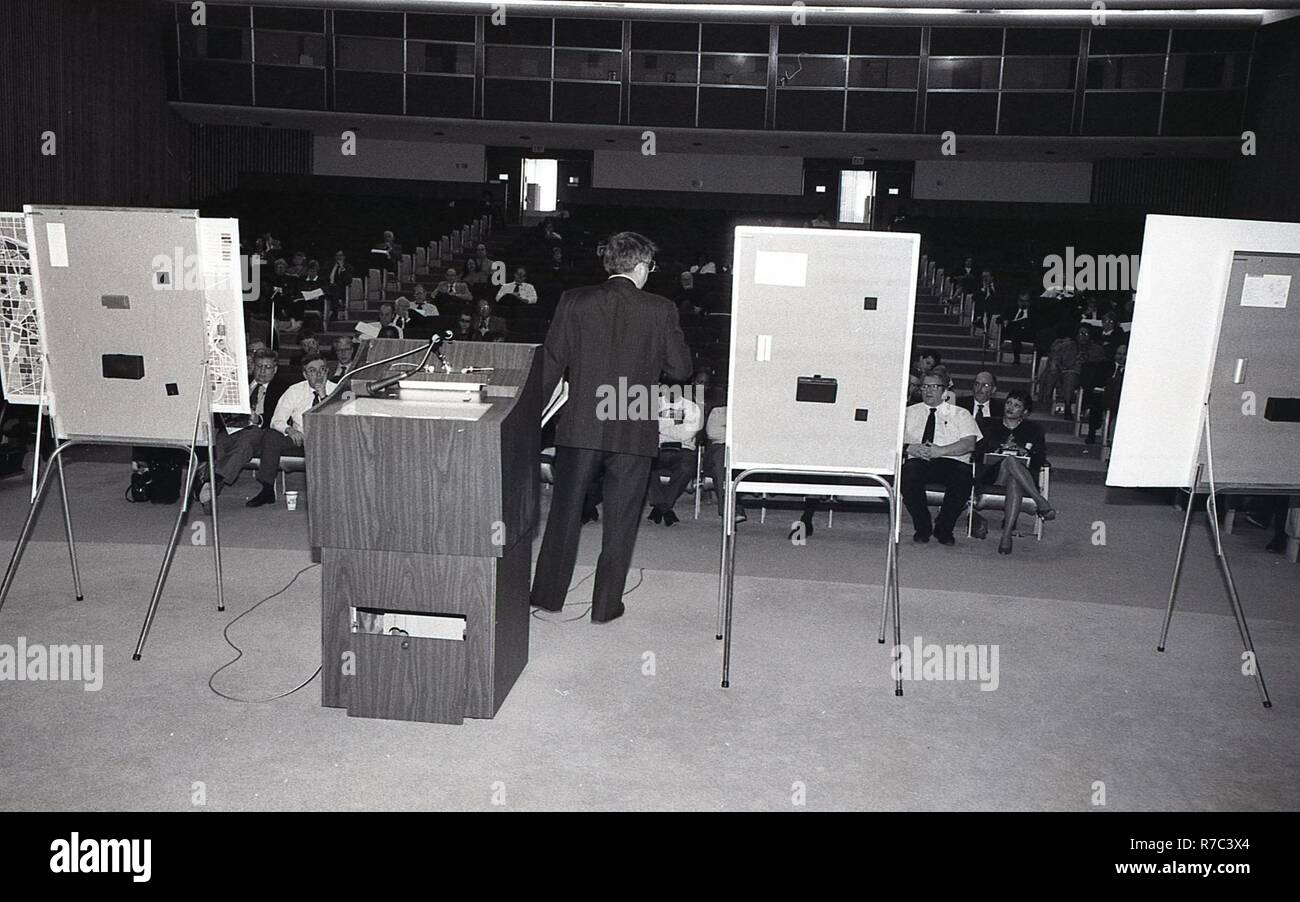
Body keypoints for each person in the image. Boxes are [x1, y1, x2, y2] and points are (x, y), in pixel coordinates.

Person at [530, 231, 692, 623]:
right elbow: (681, 369)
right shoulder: (661, 308)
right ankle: (605, 607)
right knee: (621, 520)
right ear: (639, 267)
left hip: (583, 420)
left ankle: (548, 596)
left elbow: (551, 363)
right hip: (632, 418)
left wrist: (527, 416)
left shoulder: (574, 300)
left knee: (565, 512)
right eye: (649, 267)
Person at [900, 372, 981, 545]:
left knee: (963, 478)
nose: (928, 390)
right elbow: (892, 440)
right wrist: (909, 447)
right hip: (918, 459)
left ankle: (944, 527)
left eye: (934, 386)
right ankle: (922, 527)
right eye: (925, 386)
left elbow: (968, 444)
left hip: (951, 460)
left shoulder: (961, 414)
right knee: (907, 475)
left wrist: (940, 451)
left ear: (945, 391)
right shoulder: (908, 412)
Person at [974, 389, 1056, 555]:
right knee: (1009, 461)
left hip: (1021, 476)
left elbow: (1040, 459)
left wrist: (1025, 453)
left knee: (1014, 478)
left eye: (1017, 405)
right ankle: (1040, 501)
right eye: (1009, 403)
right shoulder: (989, 425)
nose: (1010, 407)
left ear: (1025, 412)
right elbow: (976, 453)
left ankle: (1006, 536)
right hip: (992, 474)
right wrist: (997, 450)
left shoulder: (1034, 430)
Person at [254, 354, 336, 508]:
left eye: (322, 370)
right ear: (305, 374)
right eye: (312, 370)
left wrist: (323, 394)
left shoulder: (337, 390)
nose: (318, 374)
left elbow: (334, 422)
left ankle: (328, 494)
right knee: (272, 437)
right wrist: (290, 430)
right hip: (299, 437)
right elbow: (276, 420)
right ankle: (267, 489)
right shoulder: (294, 390)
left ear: (327, 372)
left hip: (328, 439)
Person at [646, 387, 704, 526]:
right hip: (657, 449)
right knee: (643, 464)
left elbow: (687, 434)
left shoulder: (692, 407)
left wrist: (661, 428)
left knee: (686, 467)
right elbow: (647, 431)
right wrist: (676, 426)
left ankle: (661, 506)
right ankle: (665, 508)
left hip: (683, 450)